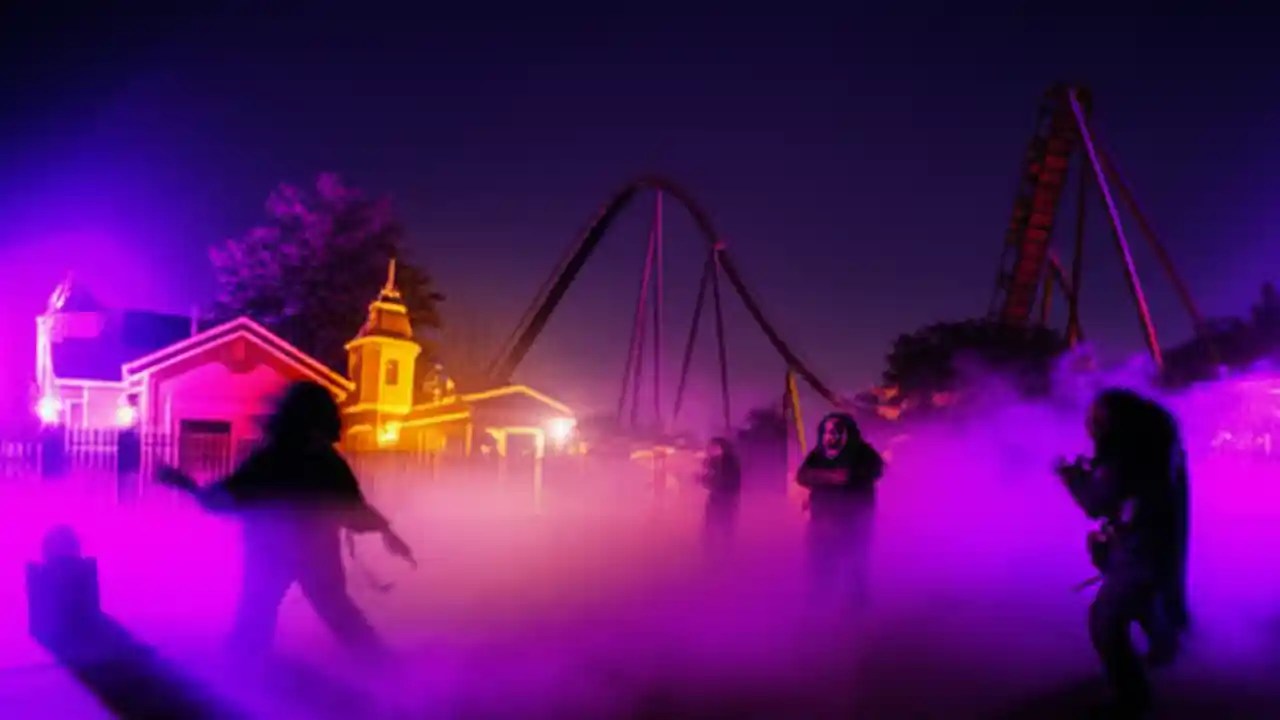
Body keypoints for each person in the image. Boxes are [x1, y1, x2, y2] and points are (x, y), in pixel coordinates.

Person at [158, 381, 415, 661]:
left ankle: (244, 670)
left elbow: (226, 497)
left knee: (258, 614)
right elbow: (351, 509)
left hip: (273, 550)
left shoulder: (272, 458)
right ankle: (383, 667)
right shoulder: (324, 461)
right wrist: (385, 530)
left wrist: (186, 485)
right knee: (334, 613)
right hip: (311, 552)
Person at [1057, 388, 1189, 718]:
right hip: (1155, 547)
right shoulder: (1156, 449)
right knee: (1141, 603)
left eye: (1096, 418)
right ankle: (1166, 647)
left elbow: (1097, 503)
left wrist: (1072, 477)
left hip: (1139, 551)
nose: (1090, 425)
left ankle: (1133, 698)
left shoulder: (1124, 456)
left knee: (1105, 620)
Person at [795, 412, 884, 609]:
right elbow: (802, 476)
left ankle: (856, 610)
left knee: (854, 568)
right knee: (822, 567)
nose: (830, 436)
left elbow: (867, 473)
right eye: (826, 432)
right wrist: (830, 476)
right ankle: (821, 608)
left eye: (835, 432)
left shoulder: (863, 453)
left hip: (853, 522)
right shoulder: (818, 454)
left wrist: (831, 477)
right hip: (822, 521)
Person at [697, 437, 742, 558]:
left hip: (720, 499)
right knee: (725, 528)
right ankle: (724, 554)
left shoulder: (722, 462)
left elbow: (717, 480)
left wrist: (704, 480)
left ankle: (714, 555)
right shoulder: (728, 461)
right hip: (726, 499)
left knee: (715, 528)